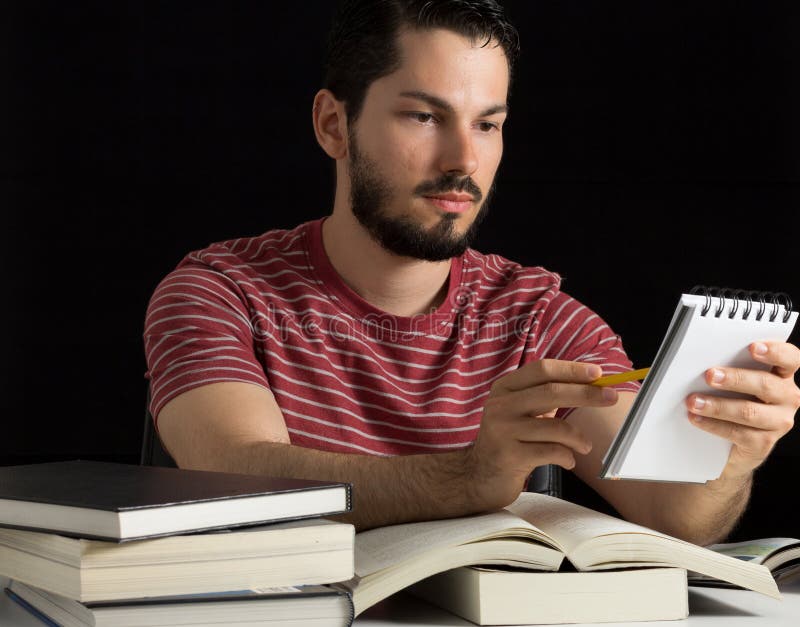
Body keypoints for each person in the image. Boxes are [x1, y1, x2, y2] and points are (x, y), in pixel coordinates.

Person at [143, 0, 799, 541]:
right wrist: (467, 477)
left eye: (488, 124)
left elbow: (676, 516)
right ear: (332, 125)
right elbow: (236, 472)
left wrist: (728, 461)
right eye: (424, 116)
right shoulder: (216, 292)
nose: (463, 159)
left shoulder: (539, 316)